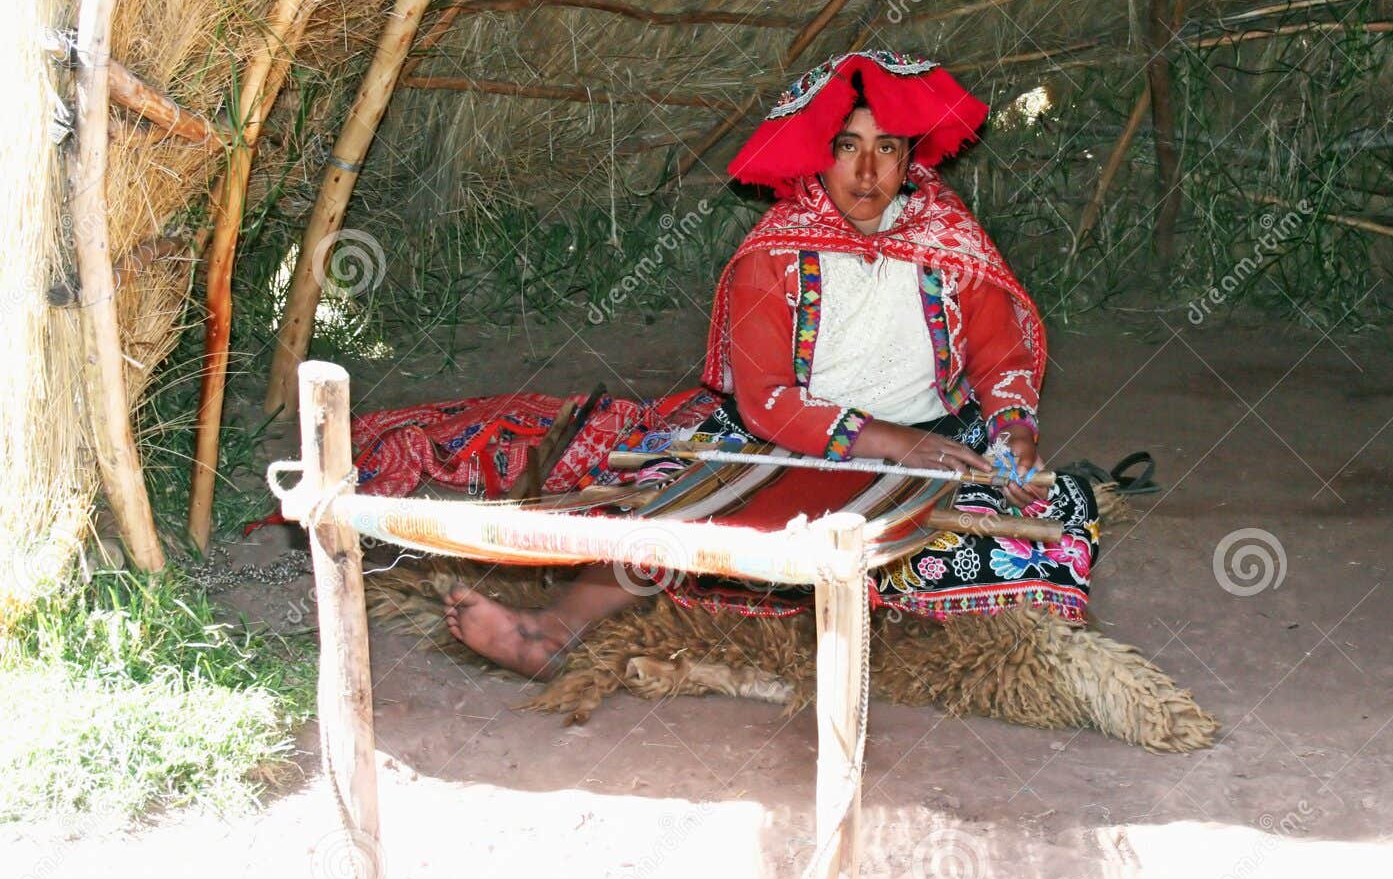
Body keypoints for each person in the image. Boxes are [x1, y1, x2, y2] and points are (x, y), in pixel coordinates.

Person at [446, 51, 1098, 677]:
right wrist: (888, 442)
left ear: (909, 157)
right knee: (676, 509)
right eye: (848, 146)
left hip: (936, 443)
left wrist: (1014, 433)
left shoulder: (949, 240)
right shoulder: (775, 252)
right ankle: (551, 633)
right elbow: (764, 397)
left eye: (887, 148)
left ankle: (869, 606)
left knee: (1025, 529)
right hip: (788, 441)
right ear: (819, 150)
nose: (866, 171)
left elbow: (1000, 359)